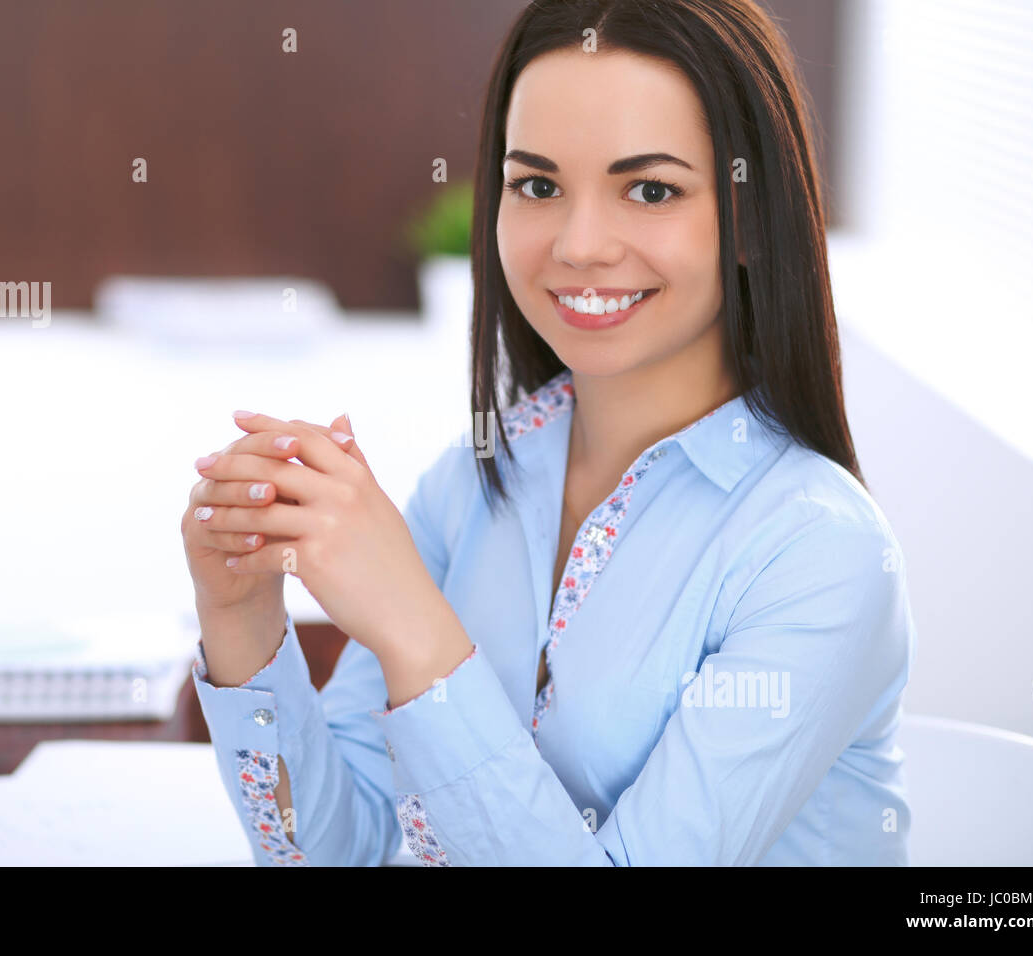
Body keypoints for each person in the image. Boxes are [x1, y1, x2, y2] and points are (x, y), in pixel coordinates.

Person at [180, 0, 917, 866]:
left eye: (650, 190)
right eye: (537, 185)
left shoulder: (816, 552)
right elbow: (343, 851)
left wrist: (418, 632)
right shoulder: (472, 484)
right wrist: (241, 617)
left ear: (753, 219)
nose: (579, 244)